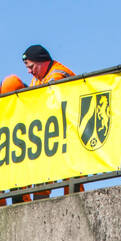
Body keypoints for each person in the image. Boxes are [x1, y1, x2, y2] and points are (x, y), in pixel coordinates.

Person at [21, 43, 83, 197]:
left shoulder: (57, 75)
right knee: (44, 173)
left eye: (31, 66)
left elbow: (48, 104)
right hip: (52, 135)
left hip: (71, 132)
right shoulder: (37, 79)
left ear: (42, 61)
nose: (29, 71)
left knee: (72, 176)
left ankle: (74, 201)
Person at [0, 75, 32, 209]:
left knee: (18, 186)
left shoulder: (29, 98)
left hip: (20, 150)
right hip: (3, 149)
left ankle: (21, 204)